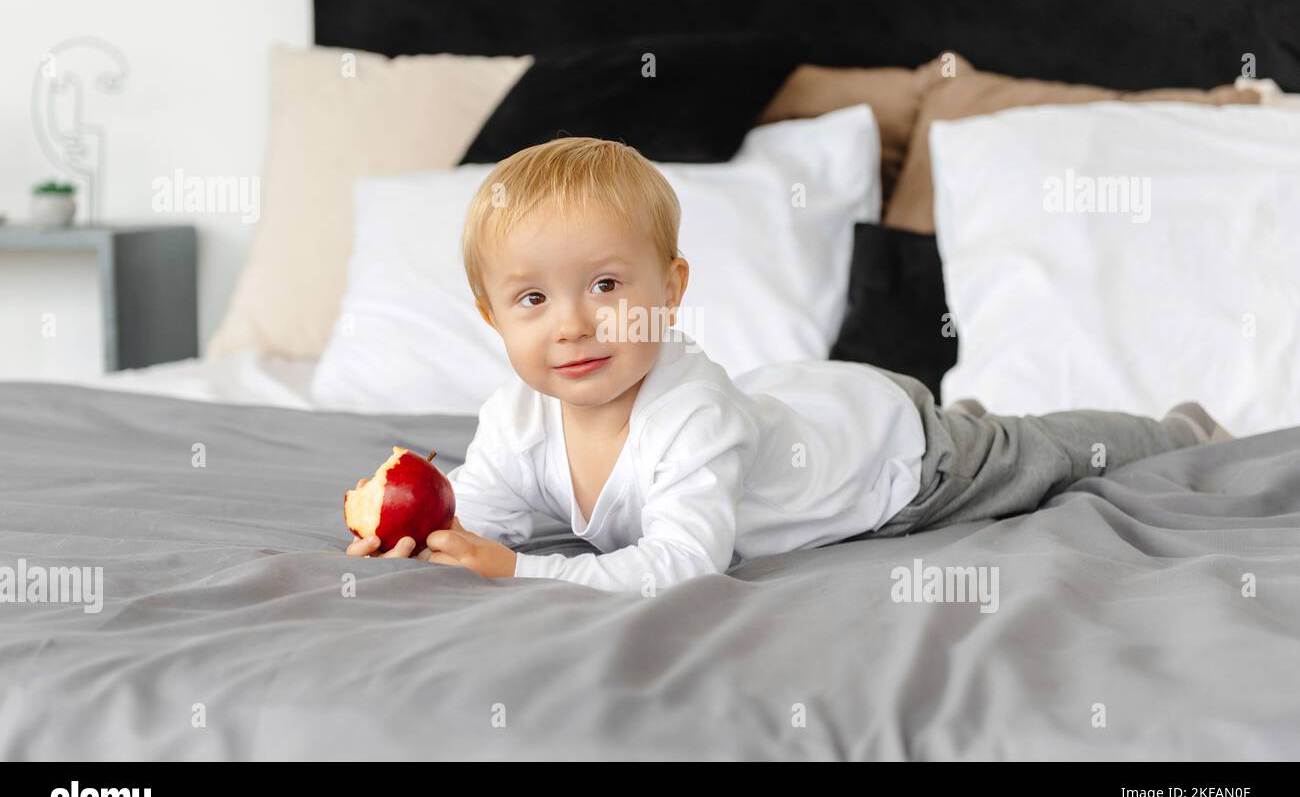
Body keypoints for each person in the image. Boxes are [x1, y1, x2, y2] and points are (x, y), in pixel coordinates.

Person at [346, 136, 1230, 592]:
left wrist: (519, 572)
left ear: (671, 286)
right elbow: (481, 509)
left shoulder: (689, 418)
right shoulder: (516, 418)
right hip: (790, 405)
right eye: (533, 298)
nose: (573, 324)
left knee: (1027, 450)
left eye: (606, 284)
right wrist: (412, 526)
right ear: (492, 317)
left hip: (892, 456)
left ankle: (1174, 428)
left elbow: (680, 565)